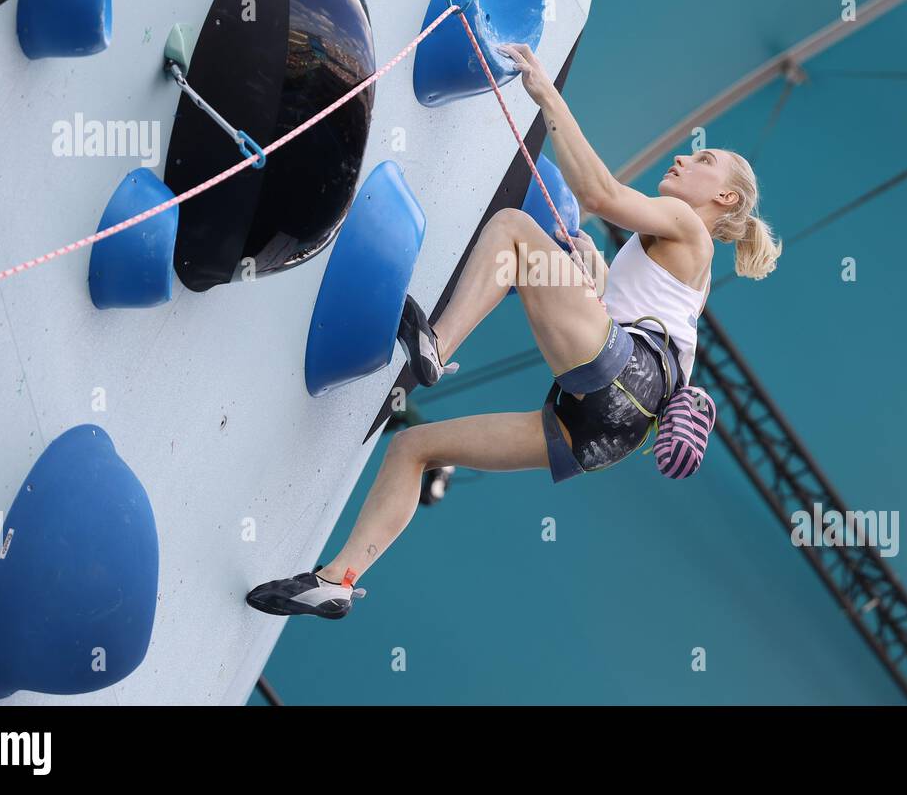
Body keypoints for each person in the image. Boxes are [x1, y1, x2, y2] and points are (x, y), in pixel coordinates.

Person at [245, 43, 782, 619]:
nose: (683, 157)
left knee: (510, 229)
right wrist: (587, 272)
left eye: (704, 162)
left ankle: (436, 346)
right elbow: (626, 313)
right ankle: (339, 580)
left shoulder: (688, 228)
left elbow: (599, 194)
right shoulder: (687, 275)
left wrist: (544, 91)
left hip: (621, 377)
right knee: (413, 448)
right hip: (606, 430)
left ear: (724, 197)